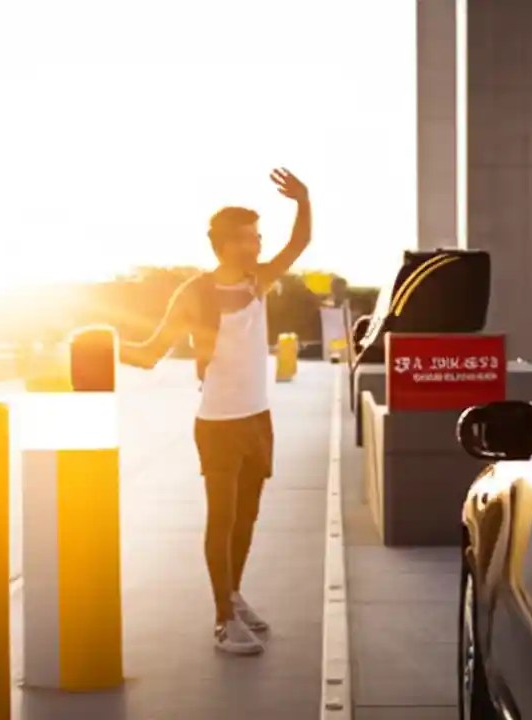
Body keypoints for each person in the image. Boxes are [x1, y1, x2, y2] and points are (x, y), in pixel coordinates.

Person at [119, 167, 311, 655]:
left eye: (258, 237)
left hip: (257, 419)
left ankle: (234, 594)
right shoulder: (194, 294)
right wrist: (96, 340)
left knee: (247, 517)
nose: (257, 246)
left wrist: (303, 199)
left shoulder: (258, 282)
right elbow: (147, 353)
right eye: (248, 239)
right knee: (221, 518)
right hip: (218, 424)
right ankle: (223, 620)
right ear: (225, 244)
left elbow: (299, 242)